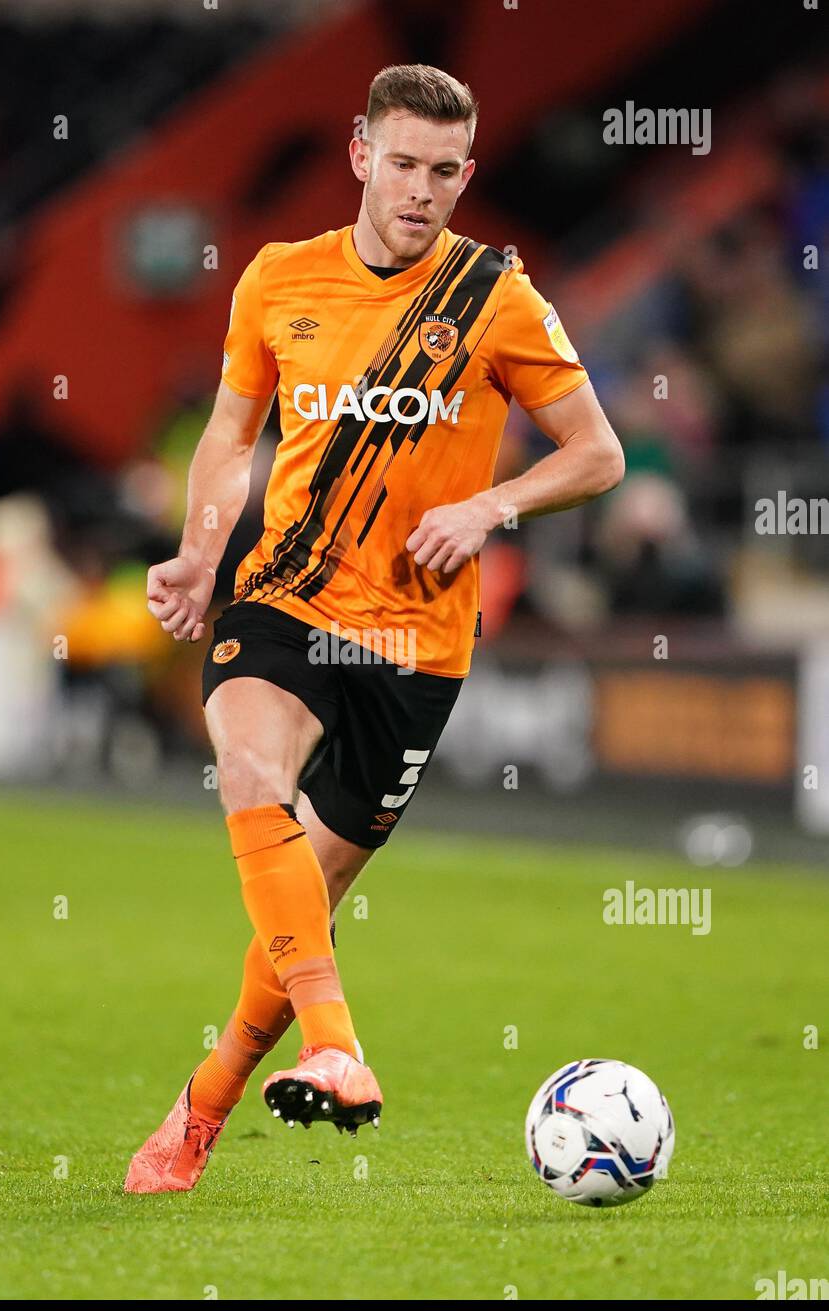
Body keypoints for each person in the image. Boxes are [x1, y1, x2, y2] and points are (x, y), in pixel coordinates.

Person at [125, 63, 624, 1194]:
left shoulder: (494, 298)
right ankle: (338, 1047)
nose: (422, 191)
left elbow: (599, 453)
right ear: (360, 154)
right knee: (248, 773)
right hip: (285, 600)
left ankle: (200, 1108)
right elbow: (227, 435)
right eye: (402, 164)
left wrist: (494, 502)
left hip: (416, 651)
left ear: (468, 174)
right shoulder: (278, 278)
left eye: (445, 171)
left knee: (302, 914)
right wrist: (204, 552)